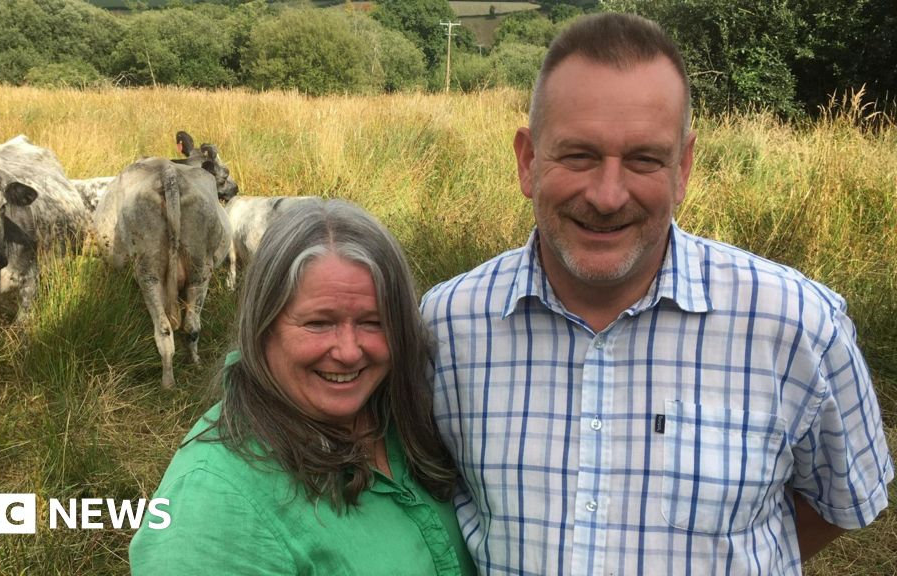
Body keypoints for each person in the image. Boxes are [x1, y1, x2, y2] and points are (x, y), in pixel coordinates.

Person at [420, 12, 893, 575]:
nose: (607, 195)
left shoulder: (797, 325)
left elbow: (841, 504)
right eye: (579, 155)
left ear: (682, 168)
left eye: (644, 159)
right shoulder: (445, 327)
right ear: (528, 161)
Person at [129, 199, 476, 575]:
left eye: (373, 322)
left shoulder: (414, 417)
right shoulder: (212, 505)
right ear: (263, 326)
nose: (348, 352)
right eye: (318, 323)